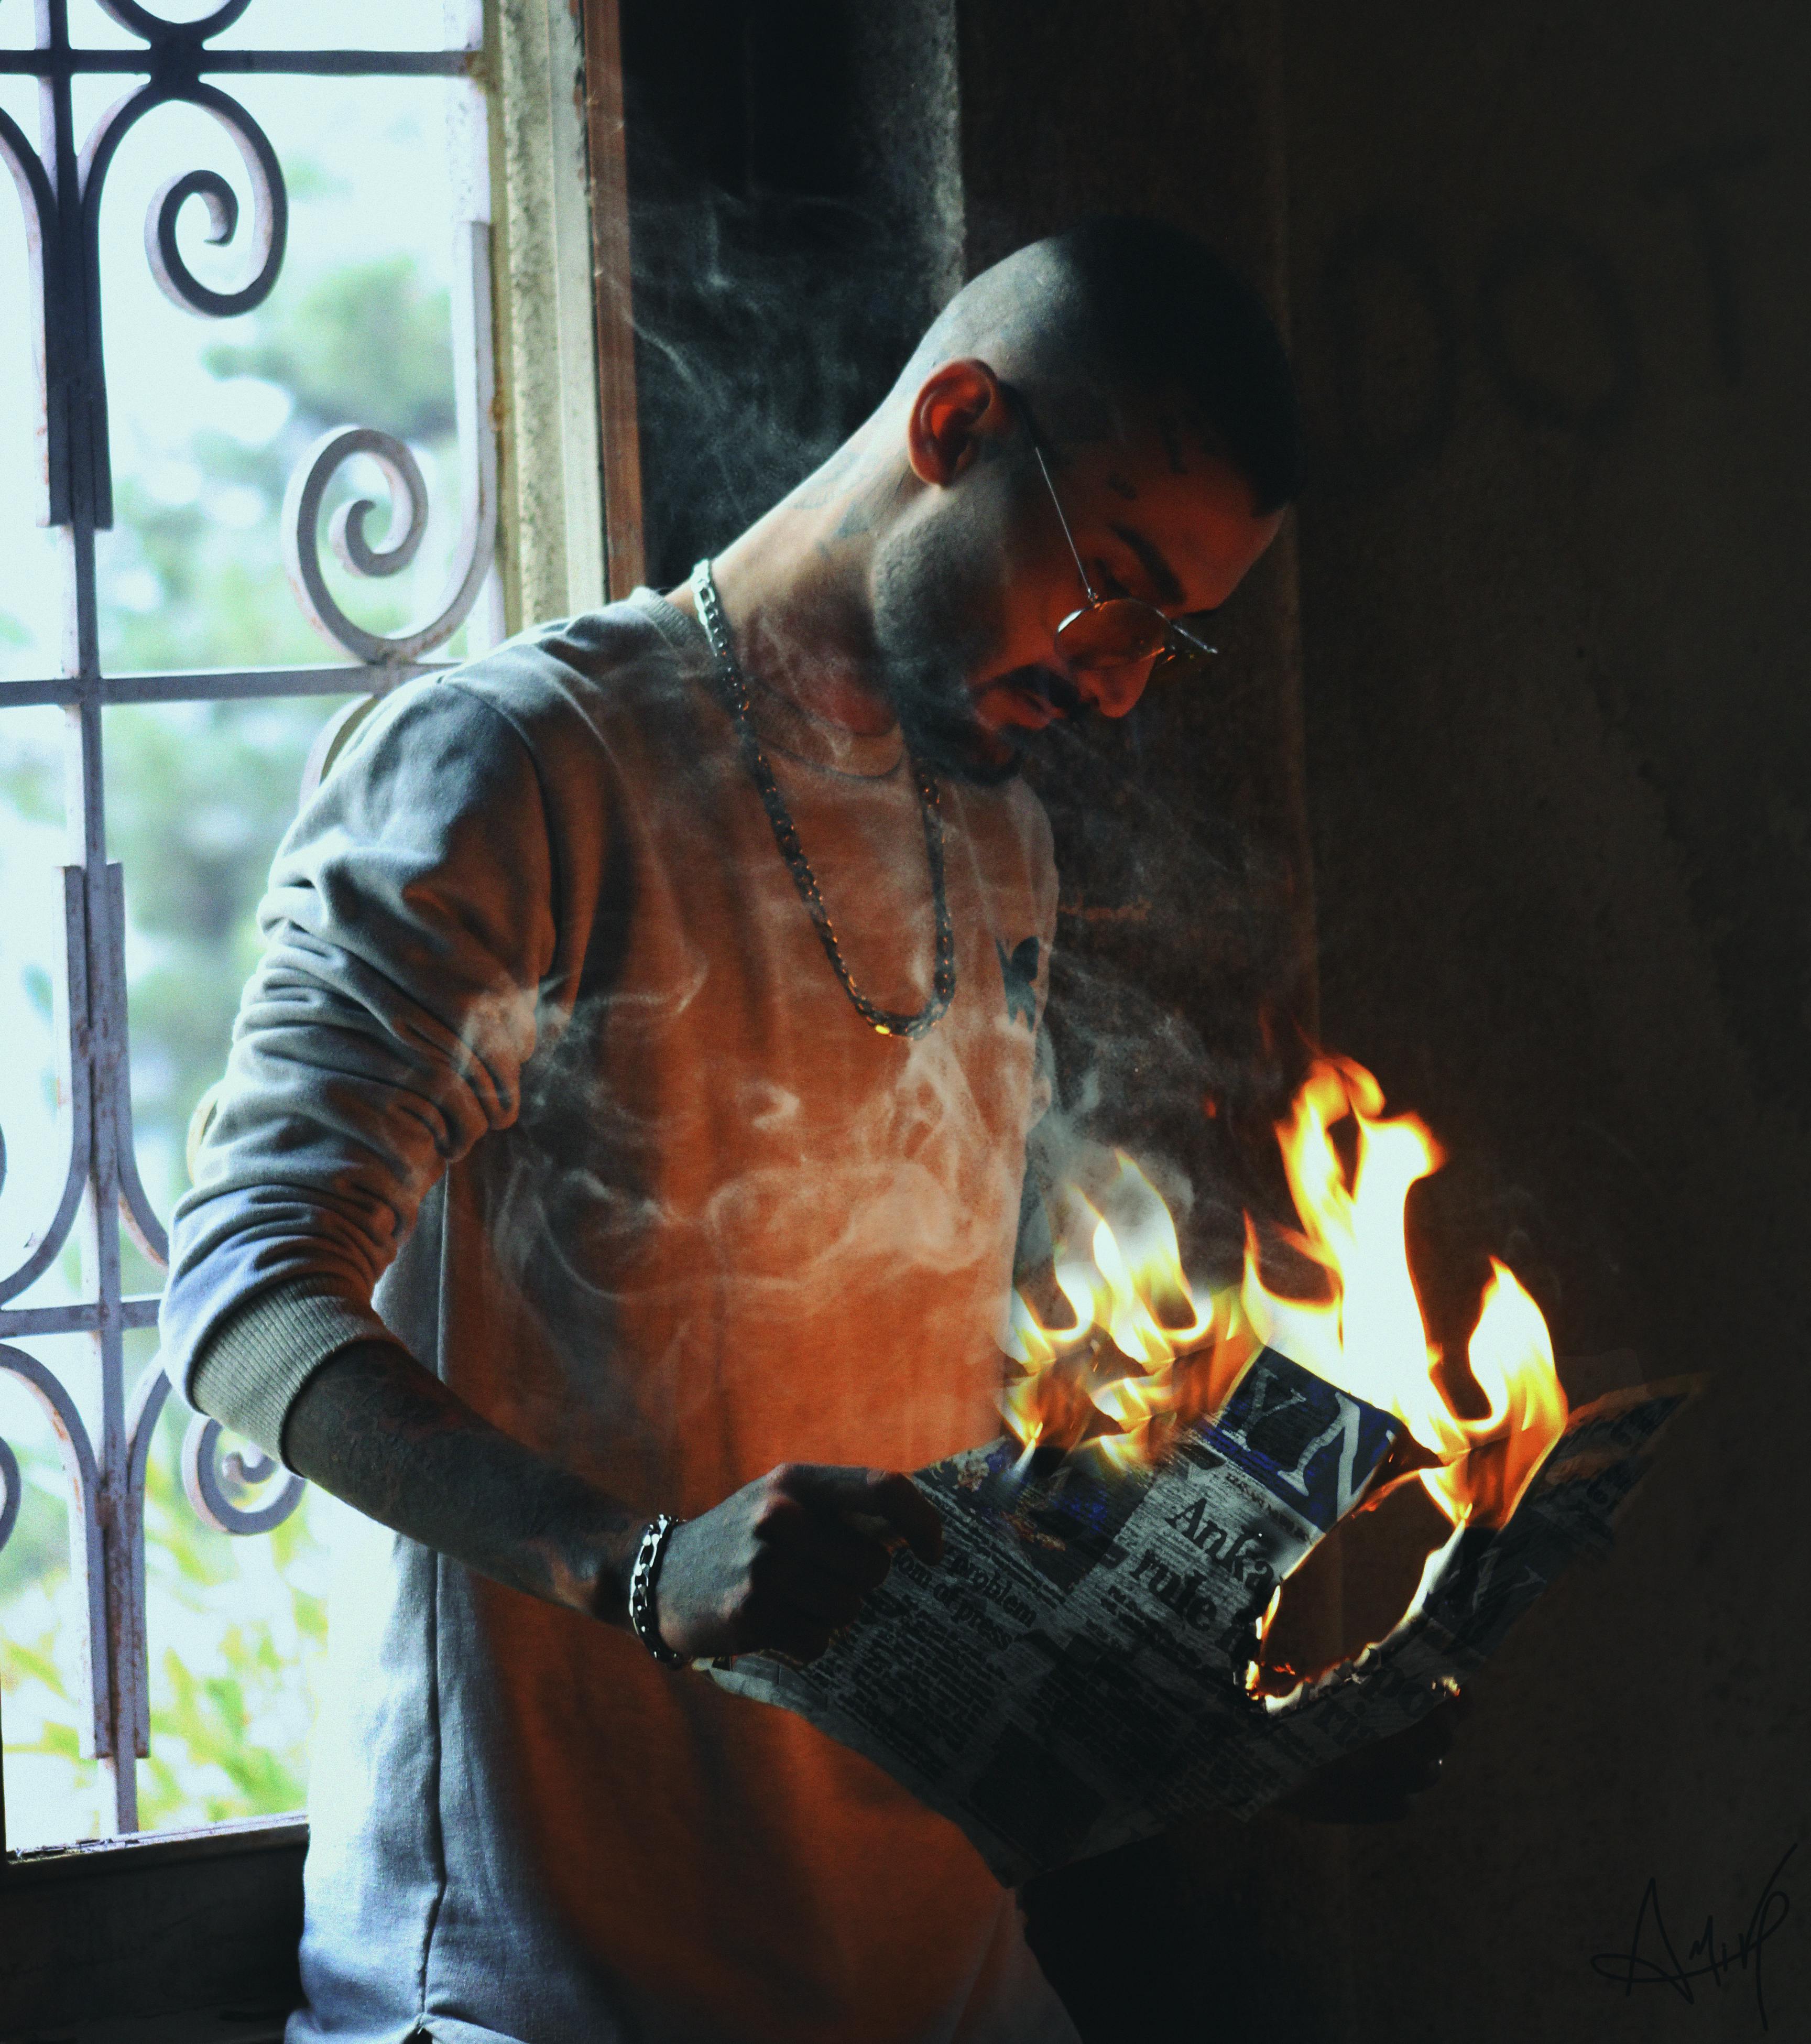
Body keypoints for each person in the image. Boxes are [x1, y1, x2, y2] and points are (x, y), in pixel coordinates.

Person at [162, 217, 1332, 2044]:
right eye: (1112, 583)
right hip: (543, 1989)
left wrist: (1235, 1684)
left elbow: (955, 1387)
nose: (1116, 680)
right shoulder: (515, 770)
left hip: (940, 1967)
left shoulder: (1001, 838)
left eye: (1165, 638)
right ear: (955, 425)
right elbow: (240, 1303)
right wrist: (641, 1561)